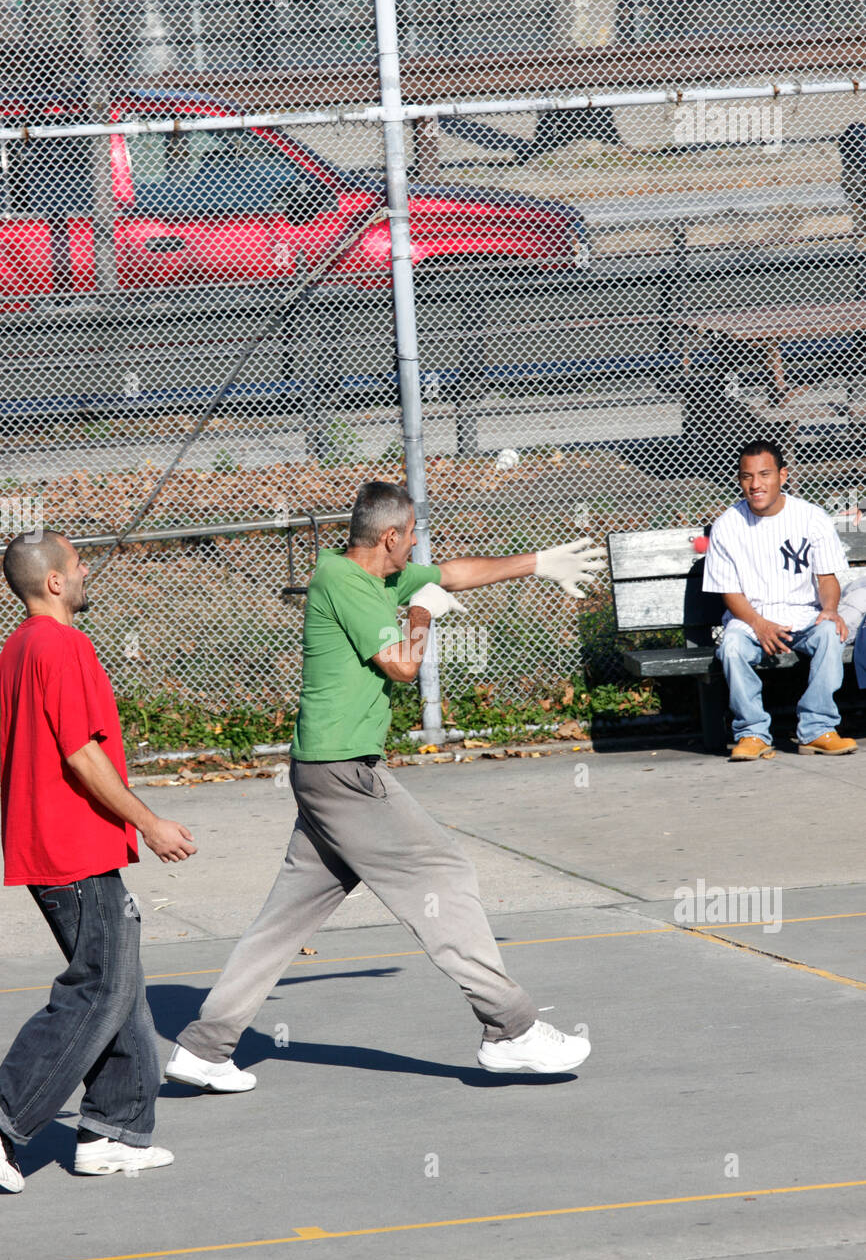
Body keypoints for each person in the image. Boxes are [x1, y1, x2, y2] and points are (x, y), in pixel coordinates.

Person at [166, 481, 606, 1090]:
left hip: (325, 772)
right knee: (444, 873)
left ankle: (205, 1047)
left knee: (285, 920)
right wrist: (422, 614)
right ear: (390, 536)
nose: (417, 545)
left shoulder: (373, 574)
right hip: (346, 773)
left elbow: (449, 574)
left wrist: (537, 564)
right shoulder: (347, 583)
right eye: (412, 535)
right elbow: (402, 663)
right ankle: (512, 1030)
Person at [0, 531, 196, 1195]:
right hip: (71, 848)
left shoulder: (19, 647)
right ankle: (4, 1119)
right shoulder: (60, 644)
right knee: (98, 988)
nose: (87, 574)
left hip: (55, 846)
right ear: (54, 582)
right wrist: (151, 822)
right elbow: (83, 757)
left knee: (122, 988)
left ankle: (113, 1132)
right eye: (78, 566)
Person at [703, 440, 856, 761]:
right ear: (739, 480)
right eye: (747, 477)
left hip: (804, 617)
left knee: (830, 633)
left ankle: (817, 728)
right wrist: (759, 625)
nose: (755, 485)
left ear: (783, 475)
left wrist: (830, 610)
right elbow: (729, 592)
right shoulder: (727, 525)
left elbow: (827, 578)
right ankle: (752, 733)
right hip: (749, 621)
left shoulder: (811, 517)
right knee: (731, 647)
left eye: (765, 474)